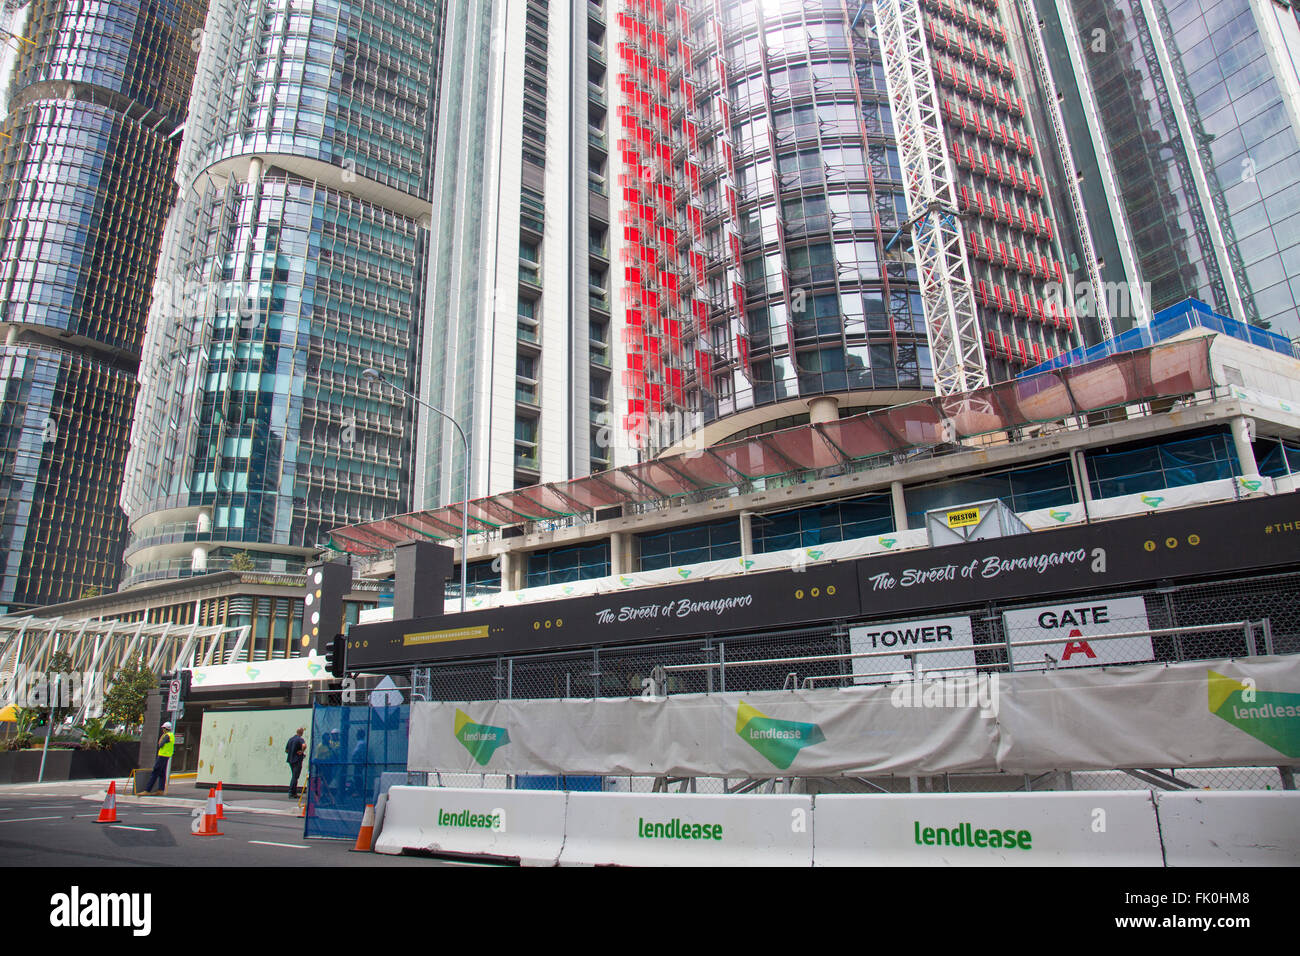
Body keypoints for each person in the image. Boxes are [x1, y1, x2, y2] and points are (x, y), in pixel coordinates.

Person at [141, 721, 174, 794]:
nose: (162, 729)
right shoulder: (171, 735)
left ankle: (147, 790)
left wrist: (161, 741)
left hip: (162, 755)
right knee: (162, 773)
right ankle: (161, 790)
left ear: (165, 729)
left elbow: (161, 745)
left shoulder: (167, 735)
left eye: (163, 728)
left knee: (155, 772)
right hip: (167, 756)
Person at [285, 726, 307, 799]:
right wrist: (302, 751)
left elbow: (286, 750)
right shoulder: (300, 739)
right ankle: (292, 792)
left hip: (291, 759)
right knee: (295, 776)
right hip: (297, 759)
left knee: (294, 775)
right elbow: (304, 745)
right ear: (301, 732)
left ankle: (293, 792)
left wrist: (292, 752)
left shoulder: (291, 739)